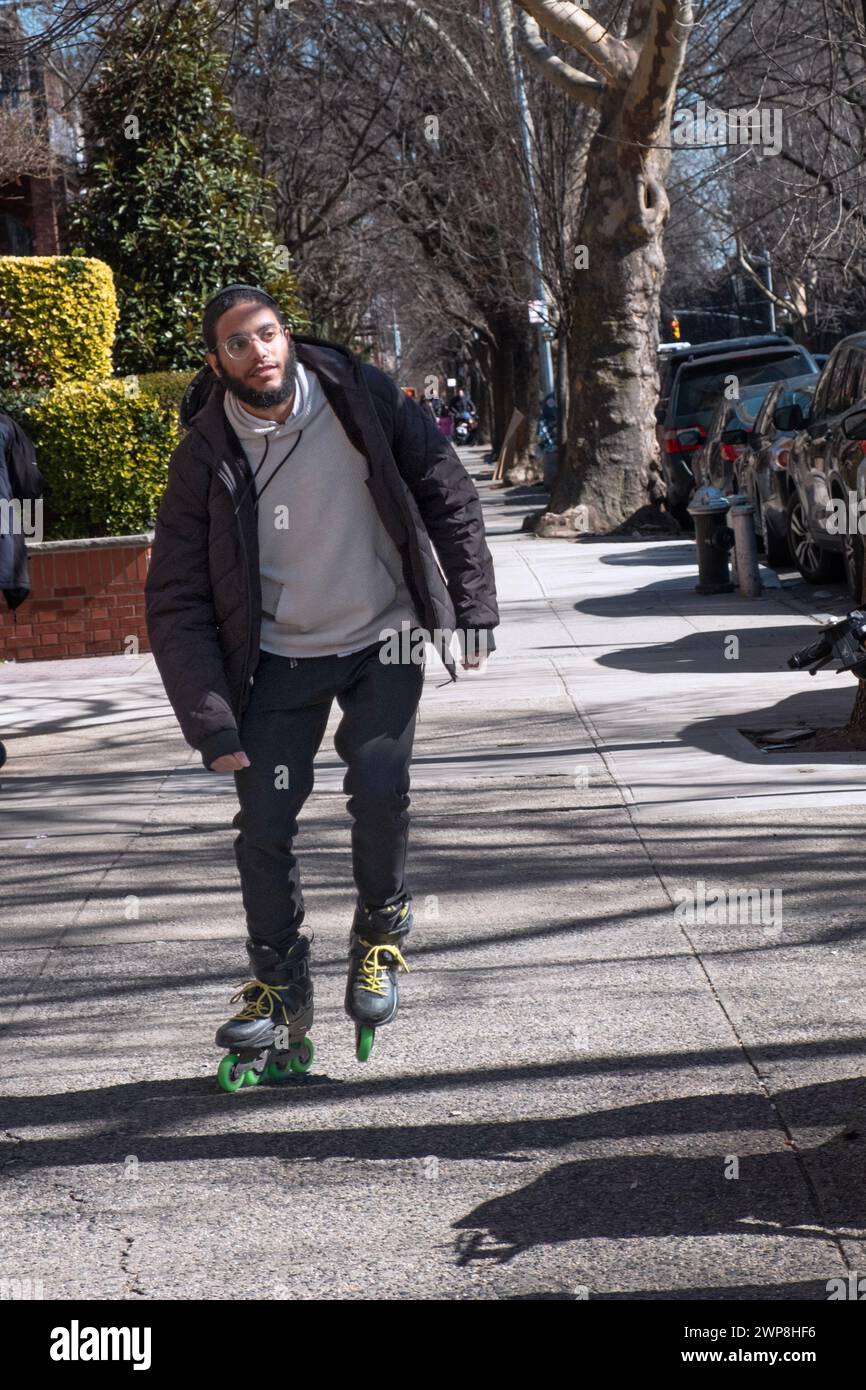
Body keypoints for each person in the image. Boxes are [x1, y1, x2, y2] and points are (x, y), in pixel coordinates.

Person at [144, 284, 499, 1082]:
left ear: (288, 338)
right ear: (217, 361)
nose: (258, 351)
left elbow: (445, 485)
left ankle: (381, 931)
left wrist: (472, 606)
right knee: (264, 822)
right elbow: (175, 595)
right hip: (277, 657)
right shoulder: (204, 453)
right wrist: (209, 720)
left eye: (267, 334)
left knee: (378, 784)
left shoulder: (357, 395)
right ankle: (280, 985)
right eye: (238, 343)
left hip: (385, 633)